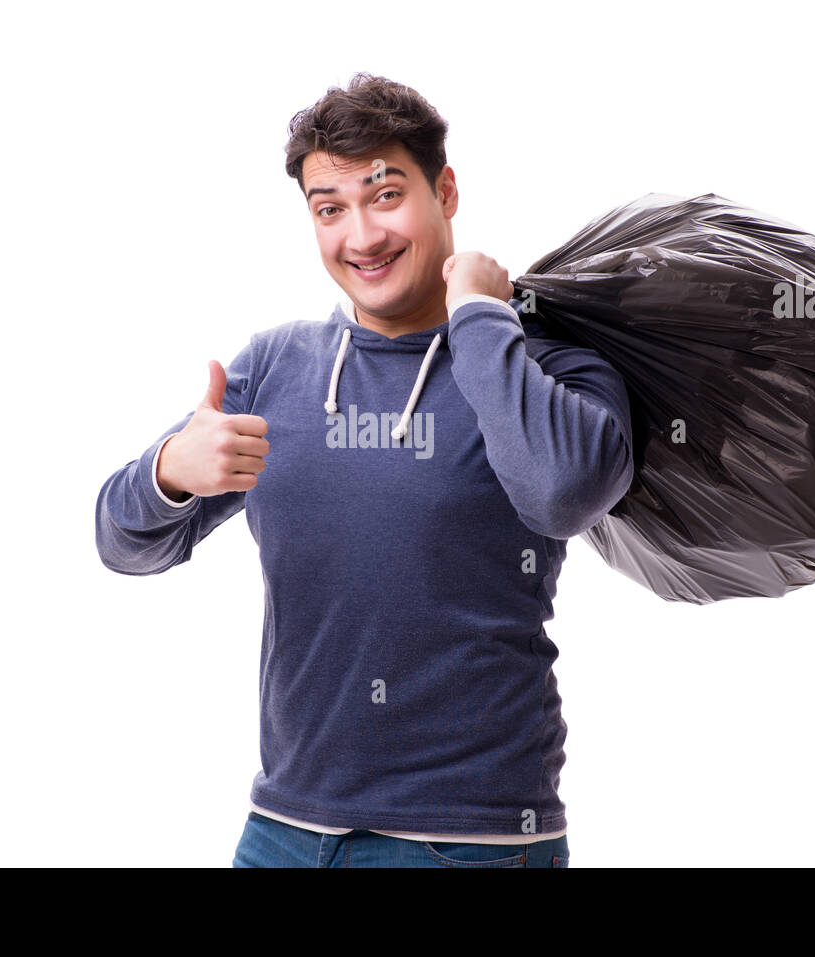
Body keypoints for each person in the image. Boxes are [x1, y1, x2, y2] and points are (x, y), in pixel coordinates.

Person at [94, 73, 634, 868]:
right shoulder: (275, 366)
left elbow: (563, 493)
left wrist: (480, 316)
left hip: (466, 843)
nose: (362, 236)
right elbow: (120, 543)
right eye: (329, 209)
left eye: (385, 196)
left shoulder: (544, 365)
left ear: (445, 191)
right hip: (281, 829)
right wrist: (169, 472)